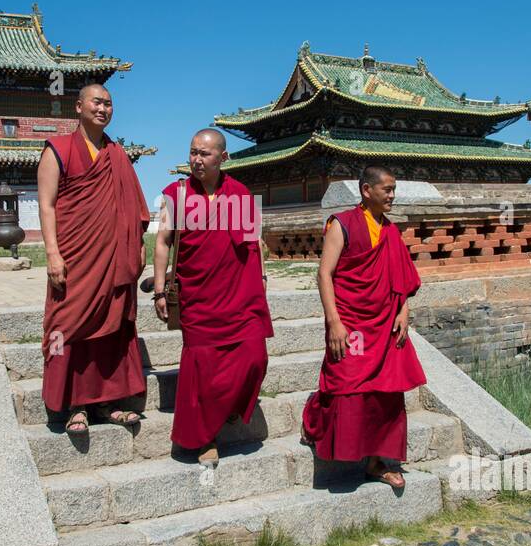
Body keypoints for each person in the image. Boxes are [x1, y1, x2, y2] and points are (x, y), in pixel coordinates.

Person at [302, 166, 426, 489]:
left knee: (385, 393)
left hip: (384, 324)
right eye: (386, 189)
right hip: (350, 322)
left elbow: (400, 276)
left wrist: (404, 310)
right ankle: (314, 423)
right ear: (366, 191)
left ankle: (376, 461)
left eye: (394, 189)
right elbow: (324, 274)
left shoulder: (391, 231)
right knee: (344, 386)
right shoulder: (341, 224)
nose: (392, 196)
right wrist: (334, 322)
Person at [153, 129, 272, 466]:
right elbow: (163, 242)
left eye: (204, 154)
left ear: (223, 158)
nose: (197, 159)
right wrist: (160, 290)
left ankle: (230, 406)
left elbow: (254, 243)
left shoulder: (240, 195)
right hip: (198, 298)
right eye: (193, 152)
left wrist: (261, 280)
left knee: (254, 357)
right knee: (202, 371)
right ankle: (204, 438)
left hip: (241, 296)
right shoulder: (177, 194)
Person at [37, 83, 150, 434]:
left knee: (112, 327)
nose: (103, 108)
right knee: (66, 325)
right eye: (96, 102)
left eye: (109, 103)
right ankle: (73, 405)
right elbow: (47, 205)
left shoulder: (117, 154)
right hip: (75, 257)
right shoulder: (58, 149)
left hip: (114, 260)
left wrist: (137, 245)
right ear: (79, 107)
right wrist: (52, 253)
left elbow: (131, 206)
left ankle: (108, 401)